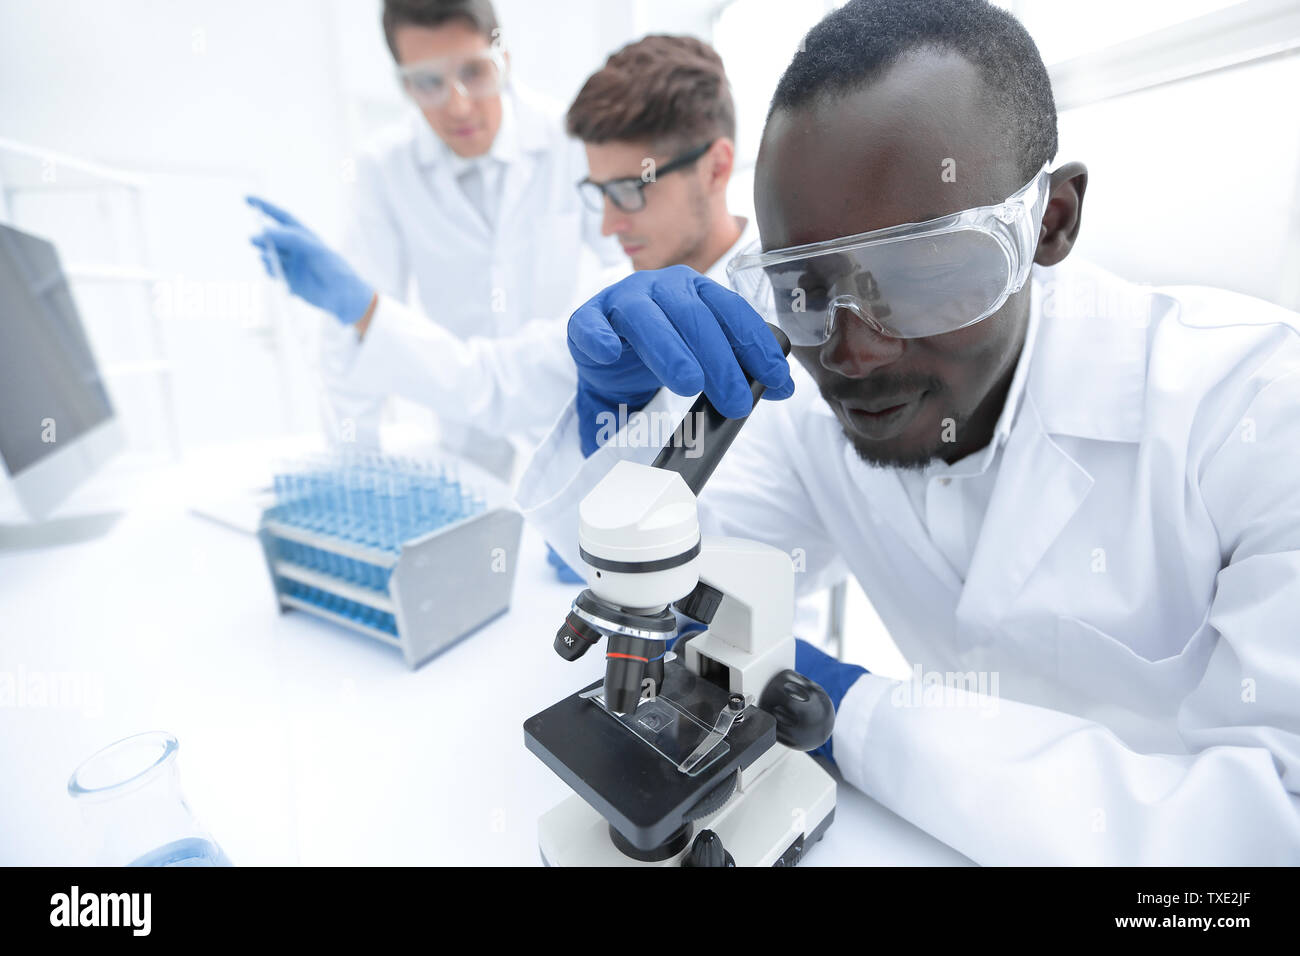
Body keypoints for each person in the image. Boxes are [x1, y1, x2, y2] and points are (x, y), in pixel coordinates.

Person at [515, 0, 1300, 864]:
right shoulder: (809, 414)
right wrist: (614, 415)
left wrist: (853, 710)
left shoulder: (1258, 411)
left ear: (1051, 221)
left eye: (921, 270)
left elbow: (1271, 821)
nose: (853, 351)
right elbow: (658, 575)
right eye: (803, 289)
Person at [247, 0, 622, 471]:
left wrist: (588, 365)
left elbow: (622, 266)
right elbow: (354, 320)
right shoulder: (385, 168)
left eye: (474, 72)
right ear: (403, 85)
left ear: (503, 58)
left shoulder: (568, 139)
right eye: (428, 83)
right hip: (463, 426)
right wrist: (355, 459)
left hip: (559, 401)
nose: (457, 105)